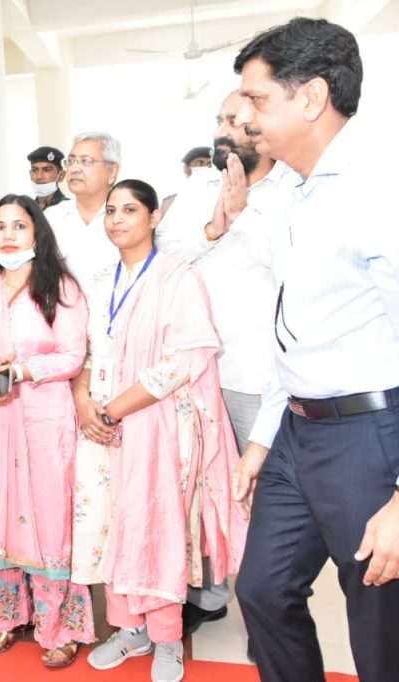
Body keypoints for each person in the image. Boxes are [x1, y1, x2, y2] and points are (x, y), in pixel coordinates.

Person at [230, 18, 399, 682]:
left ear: (312, 97)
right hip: (298, 433)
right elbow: (295, 327)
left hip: (370, 436)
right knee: (262, 592)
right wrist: (263, 439)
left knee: (381, 634)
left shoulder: (379, 185)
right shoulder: (293, 192)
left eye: (257, 99)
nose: (245, 117)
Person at [74, 180, 245, 682]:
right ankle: (130, 630)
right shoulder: (100, 280)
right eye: (111, 210)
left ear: (153, 218)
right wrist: (85, 402)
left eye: (130, 209)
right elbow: (86, 356)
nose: (118, 219)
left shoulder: (177, 277)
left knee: (158, 525)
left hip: (157, 422)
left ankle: (168, 638)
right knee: (112, 524)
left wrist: (113, 410)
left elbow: (181, 362)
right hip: (103, 424)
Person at [156, 90, 293, 636]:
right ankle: (209, 595)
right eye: (219, 120)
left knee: (263, 498)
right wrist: (213, 227)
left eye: (235, 121)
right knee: (200, 487)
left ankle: (269, 614)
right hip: (196, 372)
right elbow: (166, 251)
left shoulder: (291, 186)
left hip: (261, 377)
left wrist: (239, 219)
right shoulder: (198, 186)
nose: (224, 130)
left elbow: (291, 263)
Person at [0, 194, 94, 669]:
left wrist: (24, 371)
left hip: (43, 417)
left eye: (18, 226)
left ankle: (60, 627)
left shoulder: (61, 287)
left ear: (37, 233)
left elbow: (72, 355)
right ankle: (6, 617)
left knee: (48, 514)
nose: (8, 235)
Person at [43, 132, 121, 288]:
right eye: (71, 161)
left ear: (112, 172)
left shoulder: (125, 218)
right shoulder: (51, 218)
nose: (74, 168)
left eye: (86, 161)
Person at [27, 146, 67, 211]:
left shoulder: (69, 208)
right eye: (34, 170)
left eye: (47, 170)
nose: (39, 176)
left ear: (61, 176)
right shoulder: (26, 209)